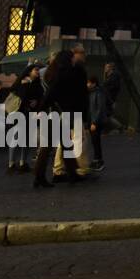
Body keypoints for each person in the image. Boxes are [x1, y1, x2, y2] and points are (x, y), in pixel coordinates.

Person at [31, 50, 86, 189]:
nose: (74, 59)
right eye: (72, 57)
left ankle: (70, 174)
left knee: (62, 144)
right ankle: (40, 176)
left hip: (57, 112)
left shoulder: (58, 72)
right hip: (59, 113)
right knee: (51, 146)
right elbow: (52, 93)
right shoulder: (66, 73)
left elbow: (51, 93)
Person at [85, 73, 106, 171]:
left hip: (96, 122)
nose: (87, 84)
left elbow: (99, 109)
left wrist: (94, 122)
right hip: (92, 121)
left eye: (89, 83)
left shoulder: (98, 93)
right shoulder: (91, 93)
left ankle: (99, 161)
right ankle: (96, 160)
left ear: (94, 84)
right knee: (94, 141)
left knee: (96, 141)